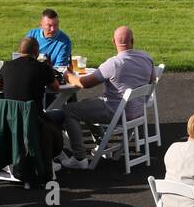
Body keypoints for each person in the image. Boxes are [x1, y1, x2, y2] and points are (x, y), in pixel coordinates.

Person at [59, 26, 156, 169]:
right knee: (87, 104)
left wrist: (67, 76)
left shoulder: (113, 64)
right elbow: (152, 80)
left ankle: (79, 158)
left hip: (115, 112)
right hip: (137, 112)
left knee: (69, 110)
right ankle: (101, 145)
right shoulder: (146, 58)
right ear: (133, 41)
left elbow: (83, 84)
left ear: (113, 41)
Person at [0, 36, 63, 131]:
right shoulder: (42, 67)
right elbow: (56, 88)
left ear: (18, 51)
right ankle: (55, 143)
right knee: (63, 114)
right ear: (37, 52)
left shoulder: (6, 66)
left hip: (10, 118)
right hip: (35, 118)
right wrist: (50, 69)